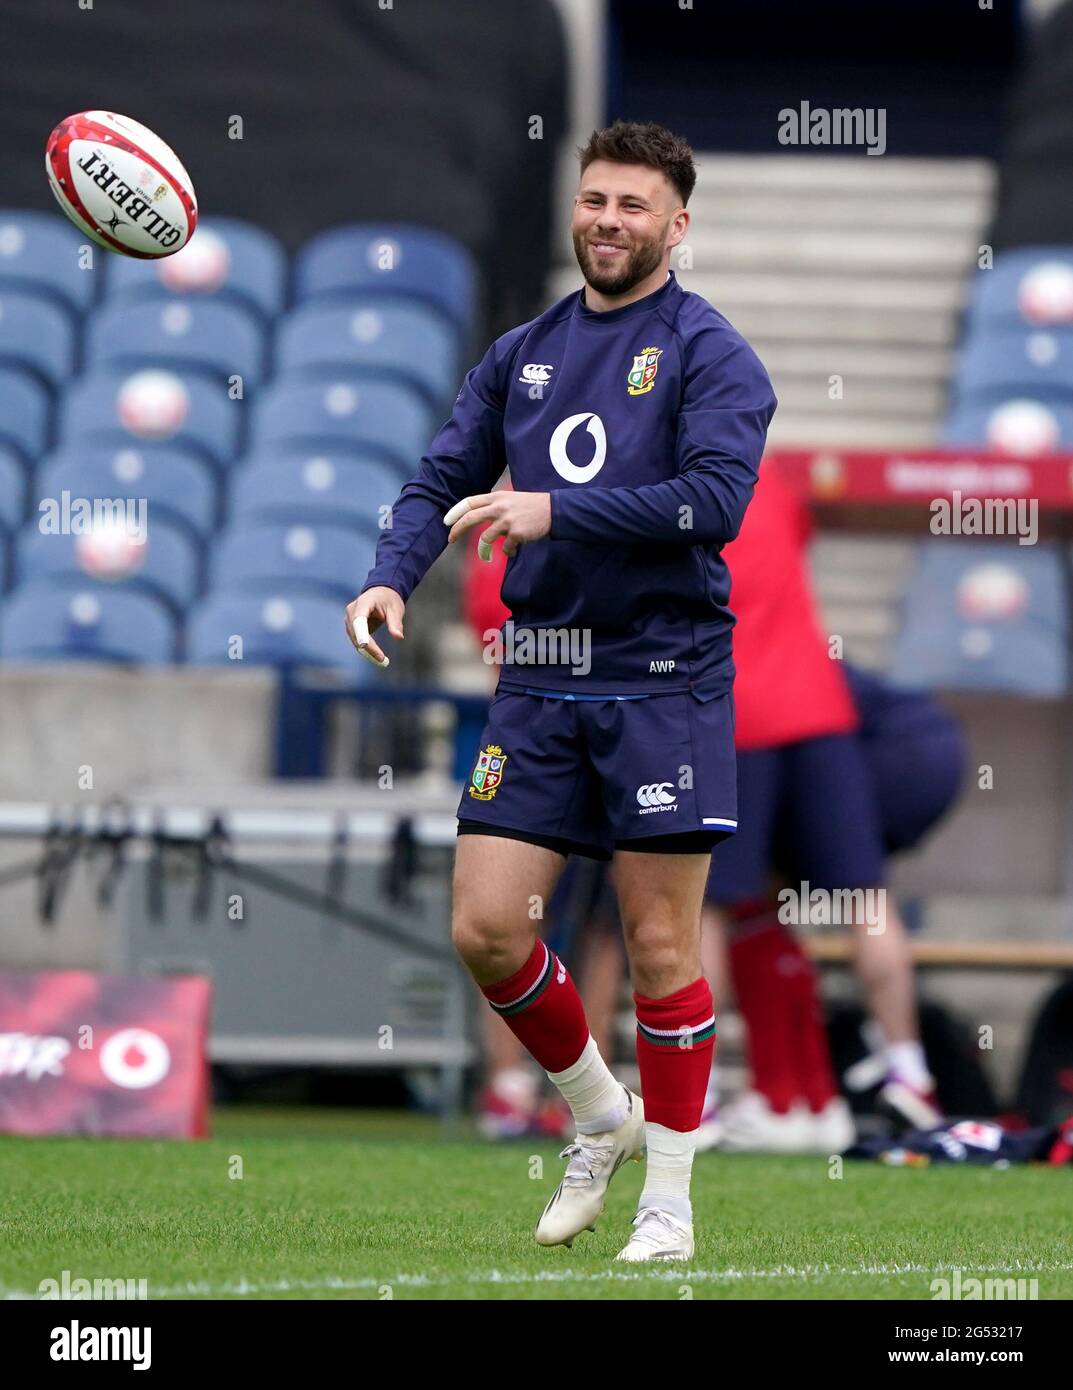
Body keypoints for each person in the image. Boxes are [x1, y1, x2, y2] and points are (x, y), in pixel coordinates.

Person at [345, 119, 777, 1262]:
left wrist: (553, 509)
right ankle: (598, 1115)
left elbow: (713, 502)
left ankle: (670, 1206)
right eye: (594, 200)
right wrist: (388, 578)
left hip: (662, 678)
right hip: (538, 677)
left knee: (658, 950)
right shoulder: (522, 348)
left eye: (632, 206)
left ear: (675, 226)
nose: (606, 220)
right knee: (485, 927)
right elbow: (439, 472)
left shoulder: (711, 353)